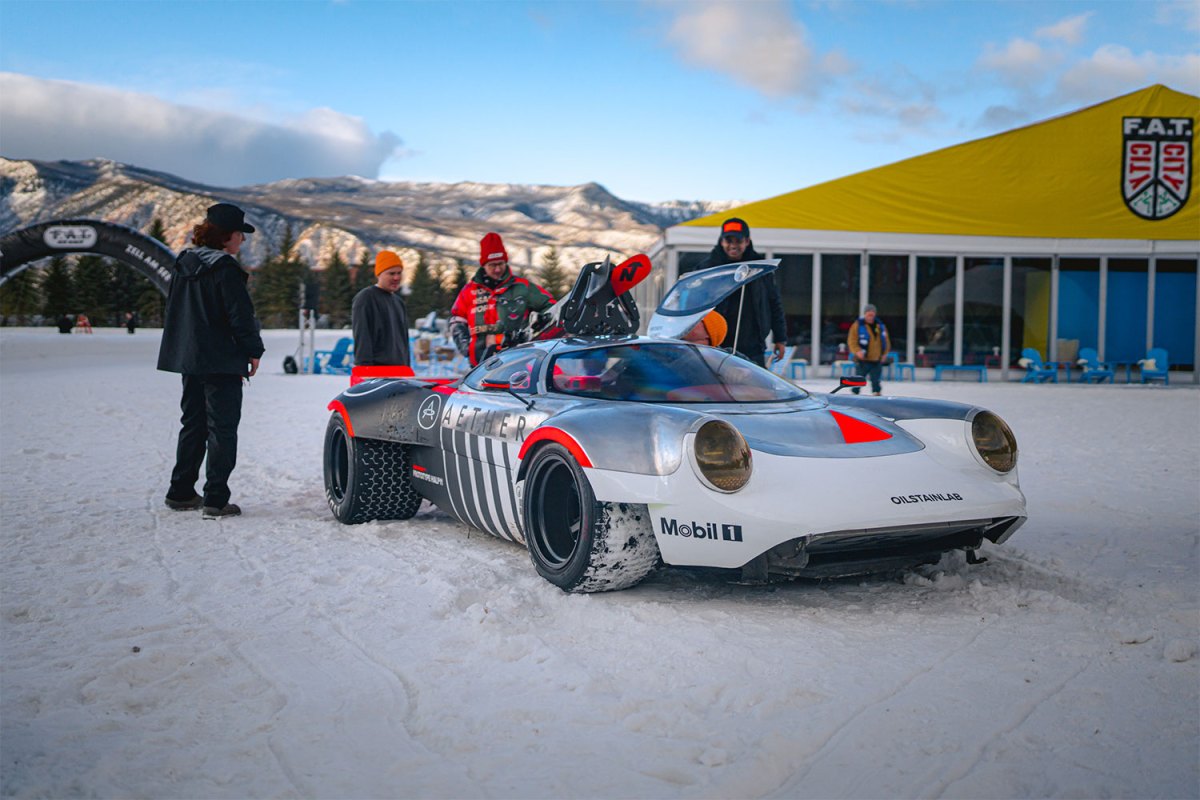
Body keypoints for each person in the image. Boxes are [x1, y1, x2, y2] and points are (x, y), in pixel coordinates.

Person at [157, 202, 265, 519]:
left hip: (190, 358)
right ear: (227, 236)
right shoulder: (225, 269)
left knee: (193, 424)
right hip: (221, 359)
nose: (242, 241)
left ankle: (180, 491)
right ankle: (216, 499)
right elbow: (240, 317)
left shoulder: (184, 264)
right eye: (239, 235)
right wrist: (253, 351)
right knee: (222, 428)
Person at [450, 232, 555, 366]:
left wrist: (536, 330)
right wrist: (465, 347)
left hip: (518, 361)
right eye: (492, 265)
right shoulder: (469, 291)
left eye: (501, 263)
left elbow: (550, 307)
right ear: (483, 265)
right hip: (479, 364)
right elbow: (456, 319)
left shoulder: (522, 287)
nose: (498, 269)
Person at [700, 218, 786, 367]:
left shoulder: (760, 268)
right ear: (721, 242)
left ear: (747, 241)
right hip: (716, 345)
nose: (733, 245)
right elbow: (695, 305)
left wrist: (780, 338)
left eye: (738, 241)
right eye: (728, 240)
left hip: (753, 346)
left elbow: (774, 303)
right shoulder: (708, 269)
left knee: (755, 389)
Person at [351, 250, 410, 367]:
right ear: (379, 274)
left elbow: (404, 341)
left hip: (399, 372)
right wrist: (365, 370)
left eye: (399, 273)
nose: (396, 277)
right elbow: (362, 335)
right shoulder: (366, 298)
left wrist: (407, 368)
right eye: (391, 273)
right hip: (377, 372)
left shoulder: (398, 302)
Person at [847, 303, 890, 395]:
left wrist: (884, 353)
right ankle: (854, 396)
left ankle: (877, 396)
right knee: (858, 381)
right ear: (865, 314)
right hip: (863, 359)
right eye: (869, 315)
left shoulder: (880, 326)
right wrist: (857, 351)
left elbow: (886, 341)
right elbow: (852, 340)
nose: (870, 317)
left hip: (876, 359)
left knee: (876, 381)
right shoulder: (858, 325)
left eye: (872, 315)